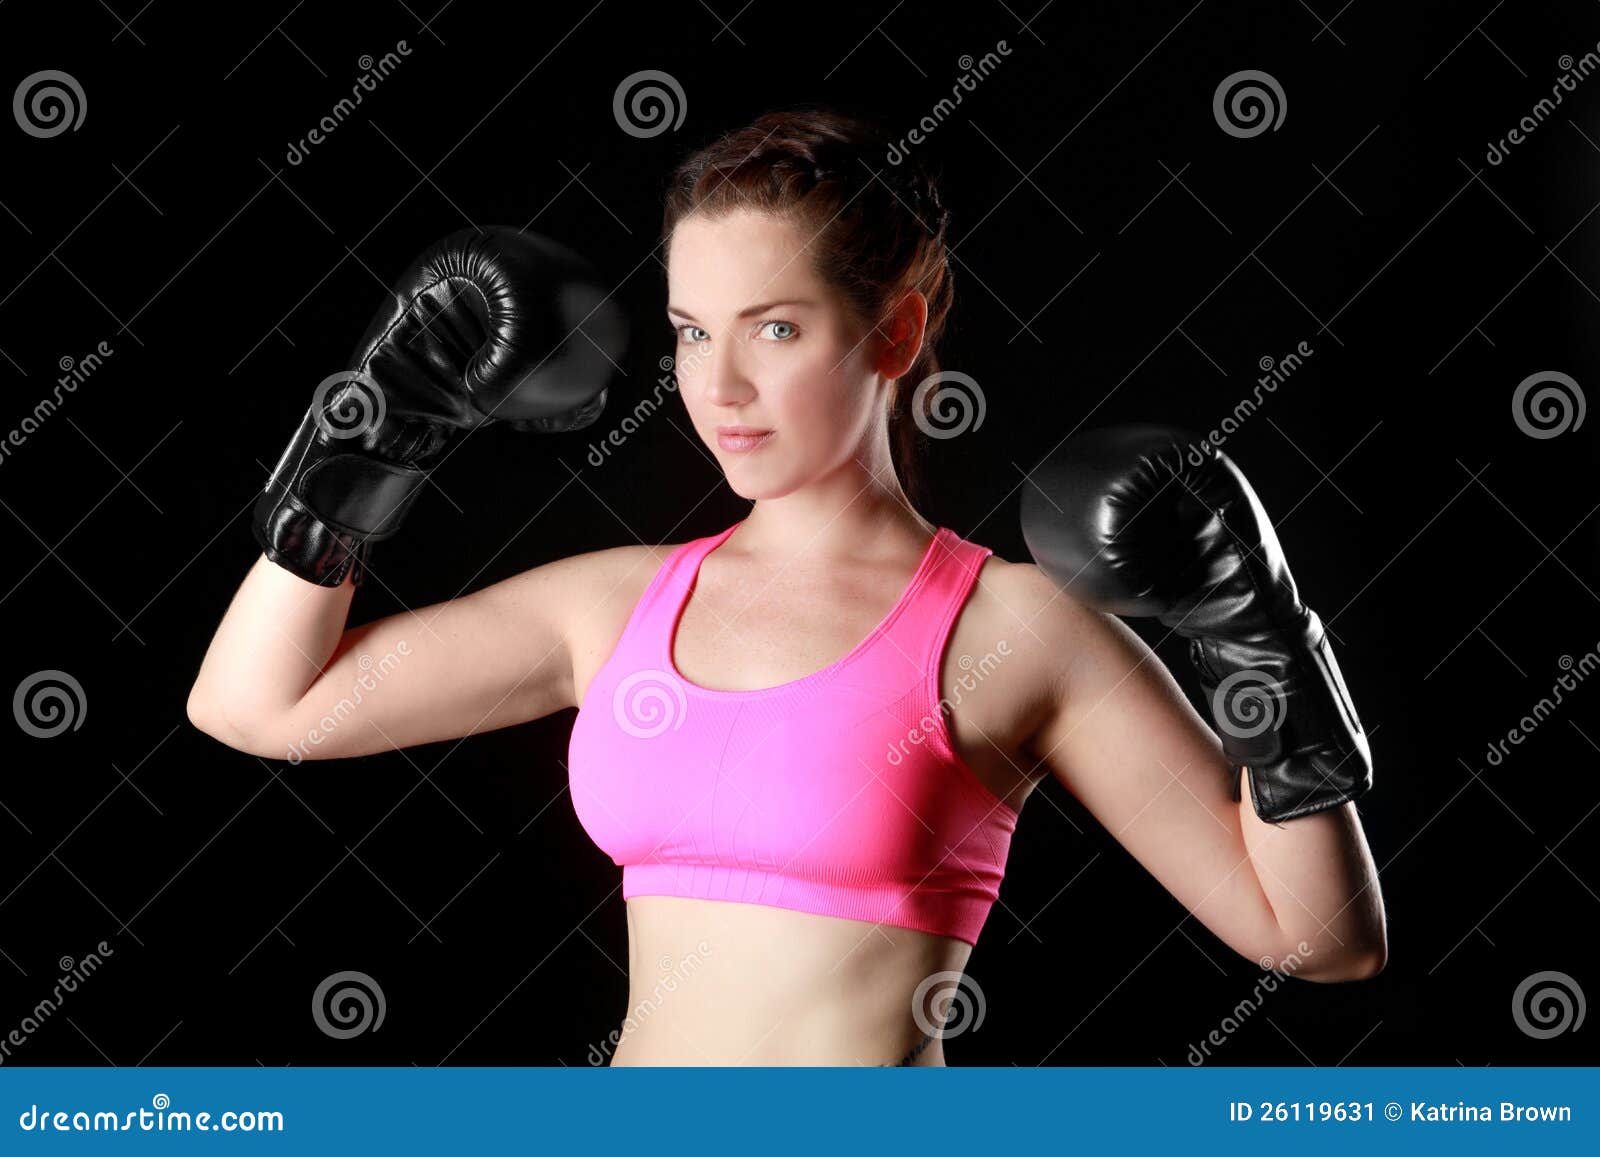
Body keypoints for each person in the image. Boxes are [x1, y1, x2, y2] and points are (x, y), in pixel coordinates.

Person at [187, 107, 1387, 1067]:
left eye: (773, 329)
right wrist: (369, 438)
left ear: (894, 333)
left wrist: (1261, 645)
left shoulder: (1011, 627)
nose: (718, 386)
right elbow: (259, 706)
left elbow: (1318, 940)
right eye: (691, 332)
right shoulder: (614, 607)